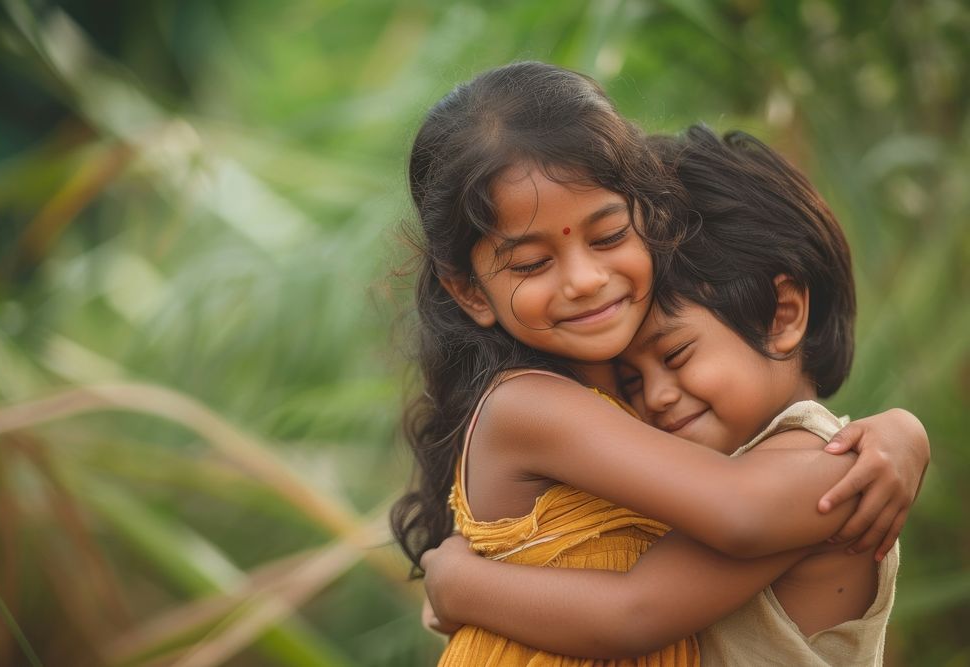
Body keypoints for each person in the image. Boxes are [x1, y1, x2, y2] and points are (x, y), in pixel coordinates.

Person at [391, 62, 929, 666]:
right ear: (467, 291)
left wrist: (904, 433)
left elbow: (644, 601)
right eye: (531, 264)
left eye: (608, 236)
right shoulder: (531, 406)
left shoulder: (802, 472)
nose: (586, 281)